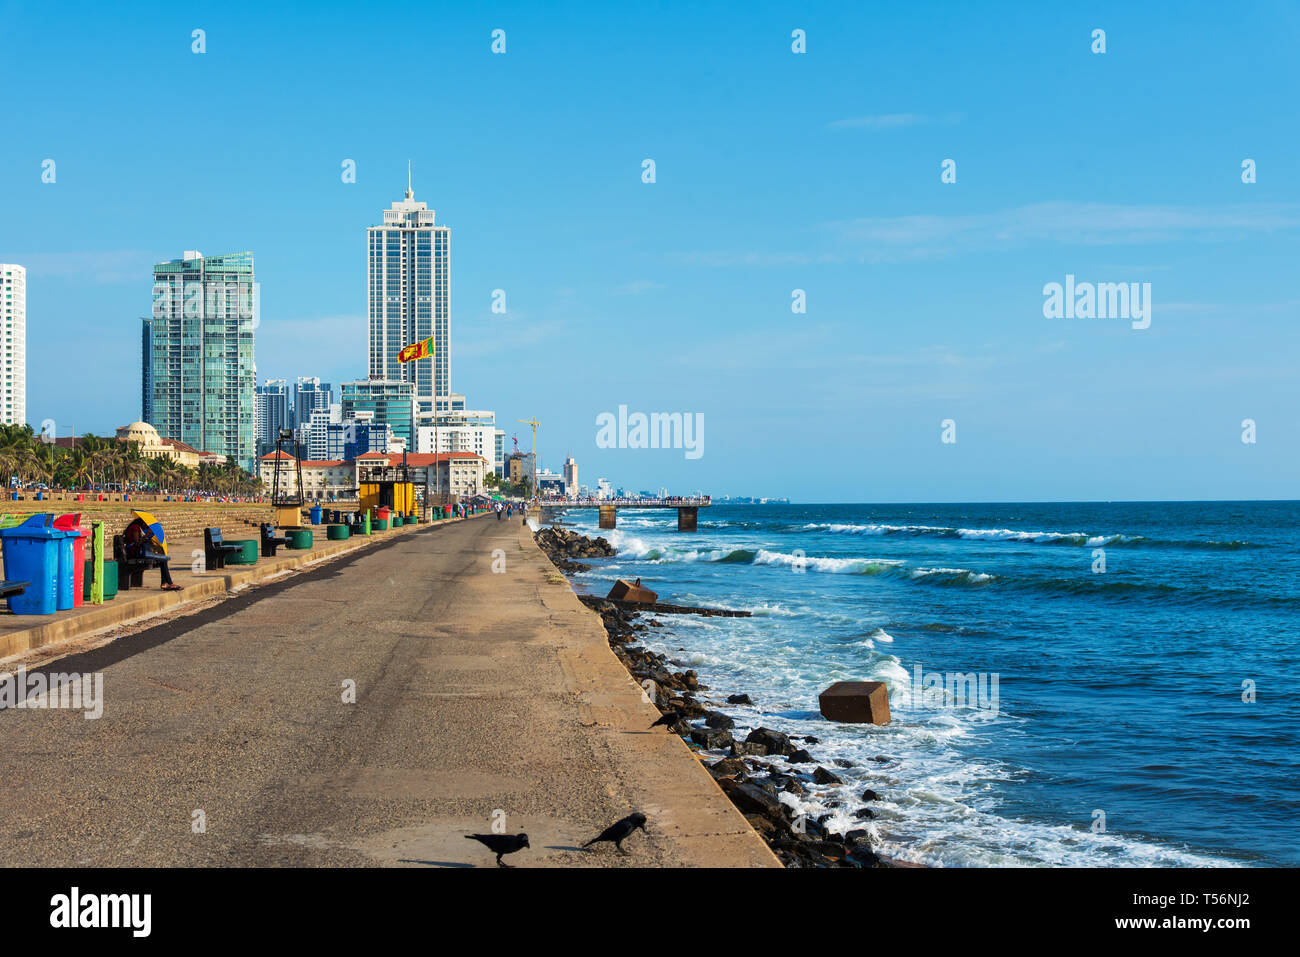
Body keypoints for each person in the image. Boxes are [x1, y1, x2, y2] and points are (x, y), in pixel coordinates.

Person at [123, 519, 181, 591]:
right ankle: (168, 583)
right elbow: (137, 544)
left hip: (137, 552)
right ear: (143, 522)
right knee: (163, 559)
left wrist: (149, 536)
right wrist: (147, 535)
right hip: (135, 553)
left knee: (163, 559)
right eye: (146, 525)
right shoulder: (135, 527)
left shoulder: (136, 527)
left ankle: (165, 583)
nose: (147, 527)